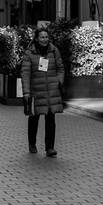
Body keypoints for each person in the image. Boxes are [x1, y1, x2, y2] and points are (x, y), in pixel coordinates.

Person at [21, 27, 66, 157]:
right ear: (36, 38)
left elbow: (60, 68)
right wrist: (26, 93)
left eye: (46, 37)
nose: (44, 39)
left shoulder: (54, 51)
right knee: (34, 118)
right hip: (36, 91)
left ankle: (50, 148)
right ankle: (32, 143)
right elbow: (25, 74)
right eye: (42, 37)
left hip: (51, 91)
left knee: (50, 119)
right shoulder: (29, 53)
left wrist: (59, 81)